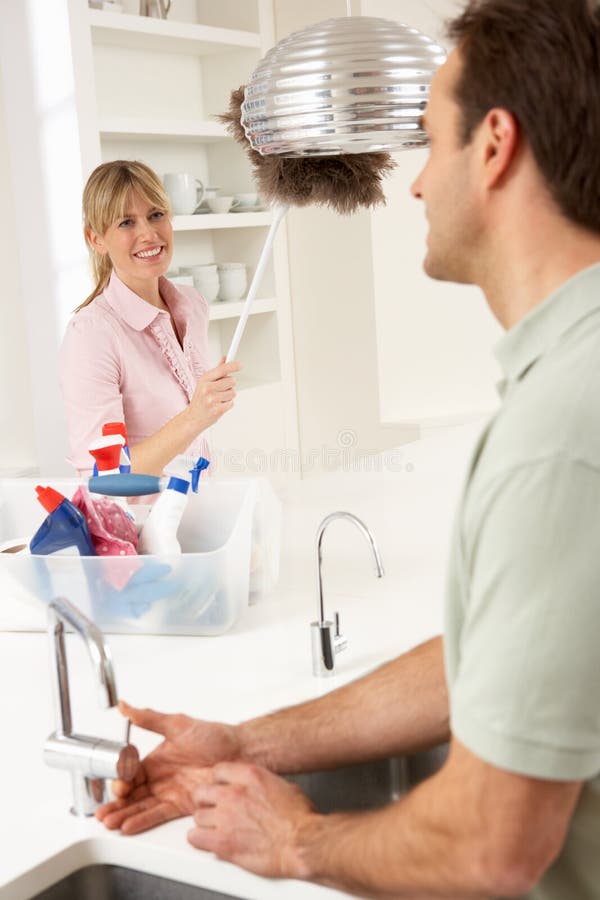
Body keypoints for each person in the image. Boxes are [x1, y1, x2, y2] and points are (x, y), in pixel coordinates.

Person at [97, 1, 600, 896]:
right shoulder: (572, 368)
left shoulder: (560, 432)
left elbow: (490, 846)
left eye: (431, 143)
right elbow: (486, 662)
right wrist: (249, 742)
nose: (411, 185)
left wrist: (297, 839)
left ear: (494, 146)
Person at [60, 160, 240, 475]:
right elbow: (104, 475)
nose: (148, 233)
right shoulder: (91, 335)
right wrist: (195, 416)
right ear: (96, 239)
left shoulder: (192, 305)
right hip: (145, 523)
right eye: (126, 223)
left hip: (203, 508)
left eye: (156, 215)